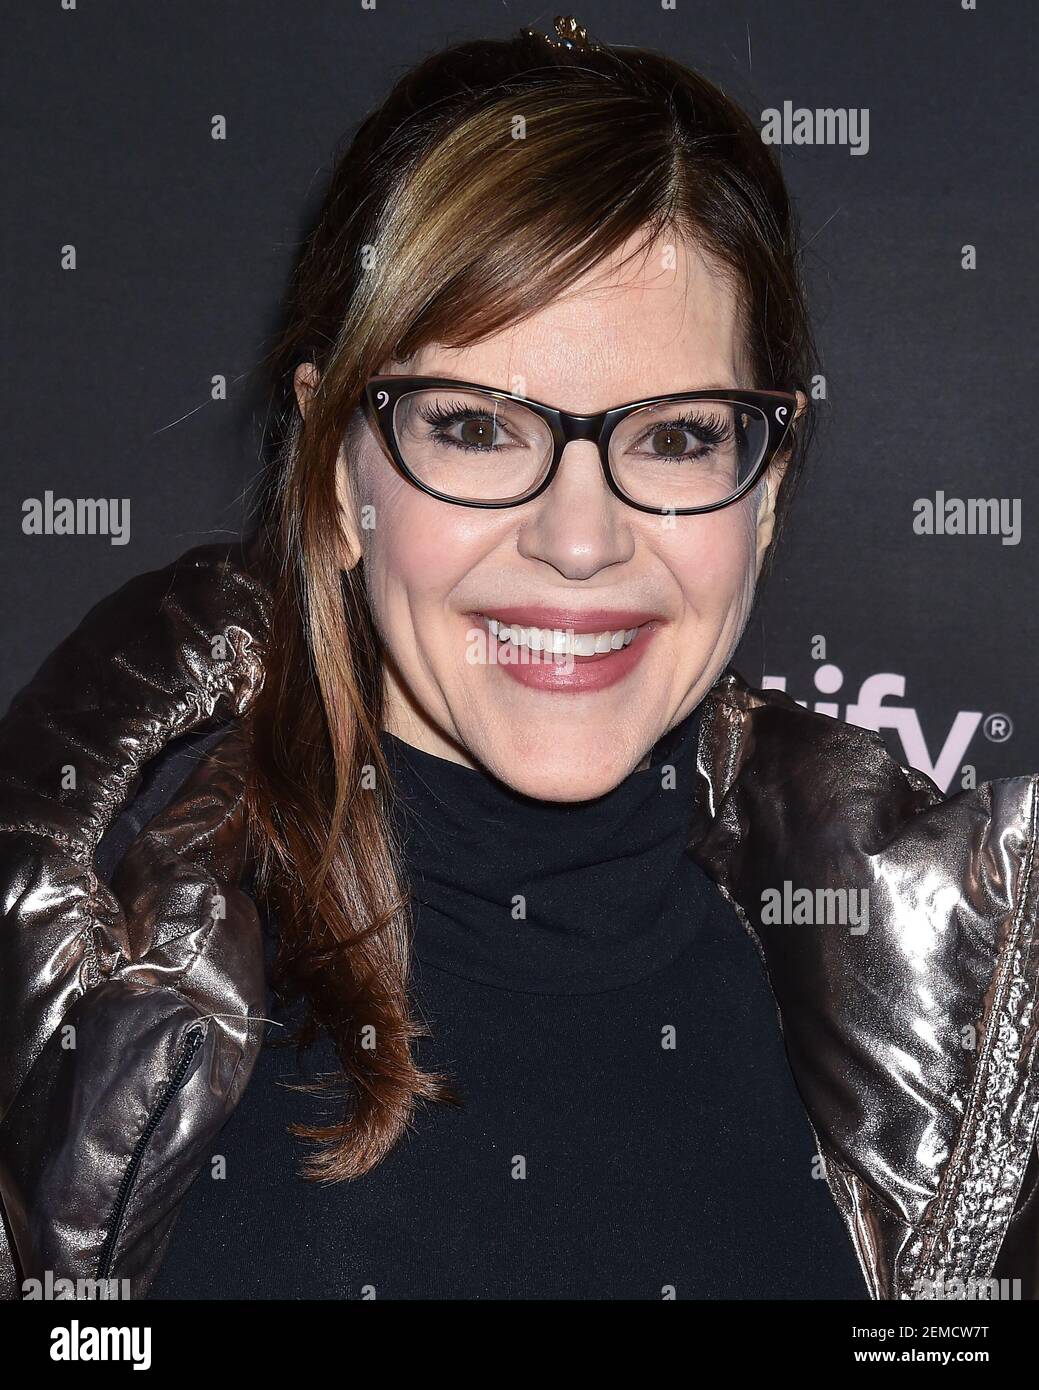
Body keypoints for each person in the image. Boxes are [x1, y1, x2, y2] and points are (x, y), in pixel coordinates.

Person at [1, 16, 1036, 1302]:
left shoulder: (950, 1007)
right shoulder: (68, 985)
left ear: (762, 493)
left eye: (674, 438)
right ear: (334, 476)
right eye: (477, 427)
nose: (580, 539)